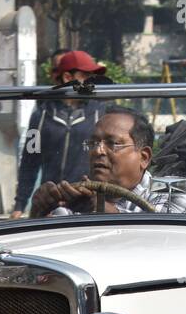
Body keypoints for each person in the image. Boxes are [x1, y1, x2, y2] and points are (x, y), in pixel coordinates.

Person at [27, 107, 186, 217]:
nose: (98, 151)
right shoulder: (78, 200)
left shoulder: (172, 187)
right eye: (93, 143)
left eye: (113, 143)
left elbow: (163, 233)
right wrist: (38, 212)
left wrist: (98, 208)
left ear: (144, 157)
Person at [10, 50, 111, 218]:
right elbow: (30, 161)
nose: (92, 81)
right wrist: (19, 206)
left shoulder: (100, 113)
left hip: (88, 201)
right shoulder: (40, 116)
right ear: (67, 78)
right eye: (86, 75)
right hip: (50, 203)